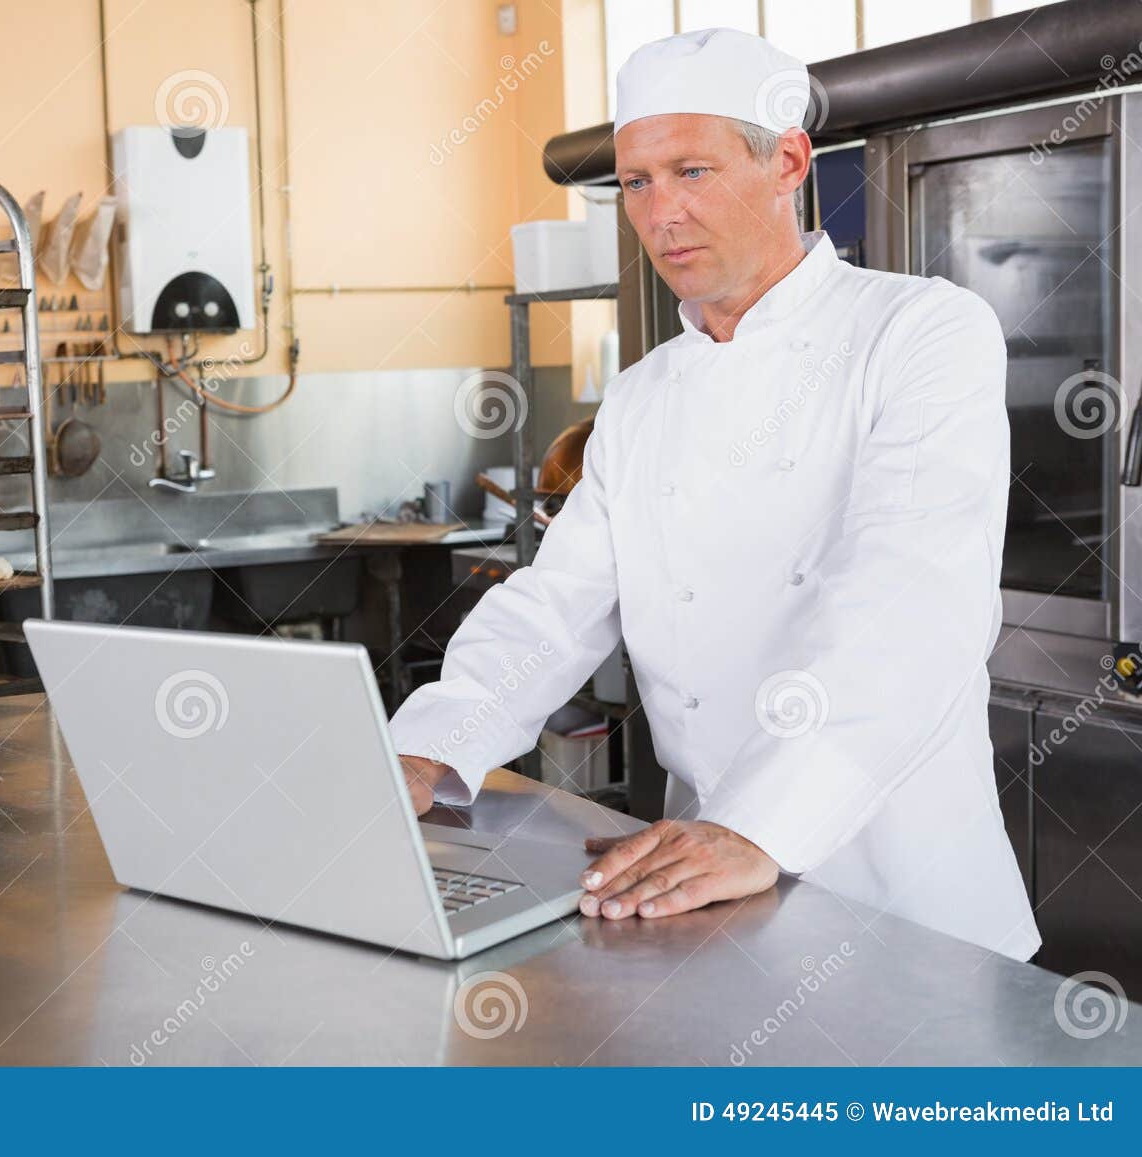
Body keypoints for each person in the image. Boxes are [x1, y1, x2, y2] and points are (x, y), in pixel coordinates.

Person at [390, 27, 1039, 960]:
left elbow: (910, 598)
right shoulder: (645, 393)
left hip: (909, 906)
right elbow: (554, 605)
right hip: (706, 896)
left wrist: (759, 824)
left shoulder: (922, 332)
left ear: (786, 161)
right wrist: (433, 746)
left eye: (691, 171)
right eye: (638, 183)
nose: (661, 215)